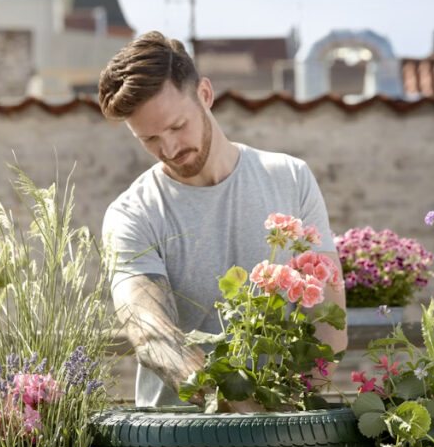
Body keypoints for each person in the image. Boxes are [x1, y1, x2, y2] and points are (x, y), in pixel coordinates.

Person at [98, 31, 346, 407]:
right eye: (149, 139)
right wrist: (237, 409)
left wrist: (292, 408)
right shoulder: (132, 213)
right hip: (176, 445)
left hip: (285, 432)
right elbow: (150, 333)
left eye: (177, 126)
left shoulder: (291, 179)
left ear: (205, 95)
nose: (168, 148)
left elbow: (329, 319)